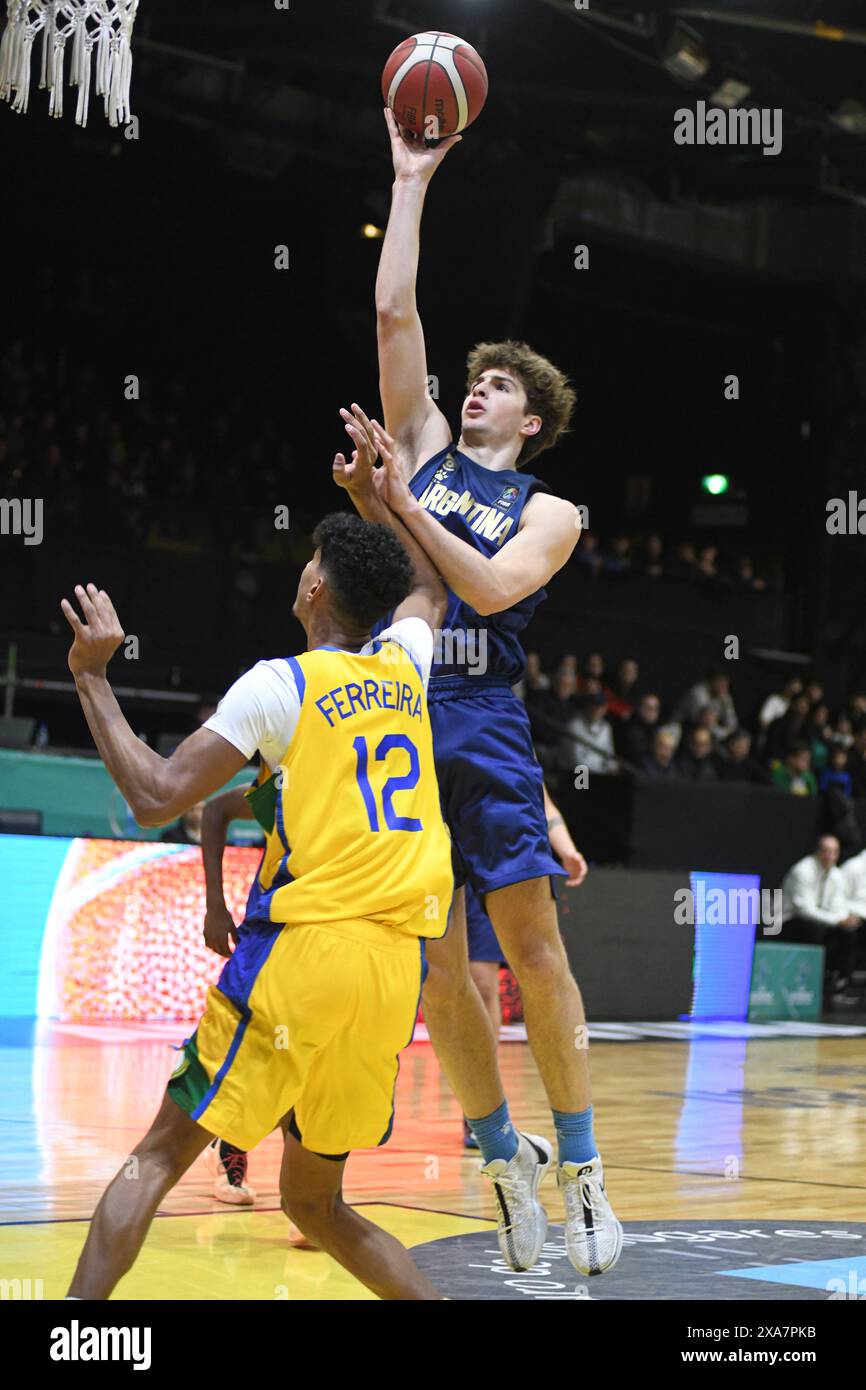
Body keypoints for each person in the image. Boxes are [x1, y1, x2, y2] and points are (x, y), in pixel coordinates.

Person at [62, 418, 454, 1301]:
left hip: (306, 955)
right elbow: (427, 585)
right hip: (394, 974)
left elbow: (159, 793)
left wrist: (93, 678)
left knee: (159, 1157)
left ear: (315, 583)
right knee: (316, 1203)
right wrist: (373, 498)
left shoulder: (281, 683)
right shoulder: (406, 664)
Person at [336, 111, 623, 1278]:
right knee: (433, 968)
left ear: (532, 420)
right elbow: (393, 313)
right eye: (473, 382)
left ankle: (584, 1170)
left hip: (487, 722)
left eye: (495, 386)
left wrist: (399, 508)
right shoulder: (421, 444)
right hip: (402, 716)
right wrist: (410, 182)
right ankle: (501, 1160)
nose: (474, 393)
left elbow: (495, 592)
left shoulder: (549, 510)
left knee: (531, 949)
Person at [781, 836, 861, 1004]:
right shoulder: (803, 870)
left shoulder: (836, 875)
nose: (830, 857)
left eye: (834, 852)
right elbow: (805, 910)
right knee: (814, 929)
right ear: (817, 851)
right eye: (826, 851)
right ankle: (808, 983)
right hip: (788, 921)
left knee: (849, 933)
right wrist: (837, 920)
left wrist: (844, 920)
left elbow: (838, 907)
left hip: (822, 920)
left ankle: (839, 984)